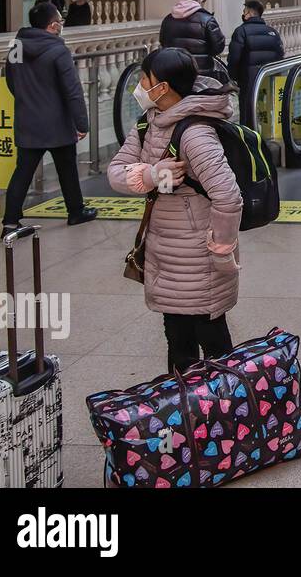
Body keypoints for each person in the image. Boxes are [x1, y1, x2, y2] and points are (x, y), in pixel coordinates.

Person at [108, 48, 242, 372]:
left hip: (199, 257)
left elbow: (228, 195)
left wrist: (222, 251)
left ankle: (232, 412)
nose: (139, 85)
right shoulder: (149, 123)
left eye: (145, 79)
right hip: (166, 254)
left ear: (163, 87)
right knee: (178, 342)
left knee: (213, 343)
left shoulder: (194, 134)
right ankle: (187, 412)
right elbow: (115, 173)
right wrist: (151, 174)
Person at [0, 2, 98, 238]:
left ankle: (10, 223)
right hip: (57, 122)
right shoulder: (59, 50)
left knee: (22, 172)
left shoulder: (16, 46)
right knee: (67, 168)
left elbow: (11, 80)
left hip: (27, 119)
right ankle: (76, 211)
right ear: (53, 26)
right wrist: (82, 123)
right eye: (60, 22)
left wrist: (27, 100)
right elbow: (72, 90)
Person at [227, 0, 285, 125]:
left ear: (248, 13)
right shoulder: (273, 32)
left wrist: (233, 76)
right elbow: (280, 56)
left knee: (248, 113)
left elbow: (234, 57)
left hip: (248, 80)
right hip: (268, 80)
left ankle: (249, 139)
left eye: (244, 11)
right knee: (266, 112)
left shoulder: (241, 31)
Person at [159, 0, 227, 82]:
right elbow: (218, 47)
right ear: (201, 0)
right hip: (200, 72)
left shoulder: (168, 19)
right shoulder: (207, 19)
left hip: (174, 69)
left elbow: (163, 42)